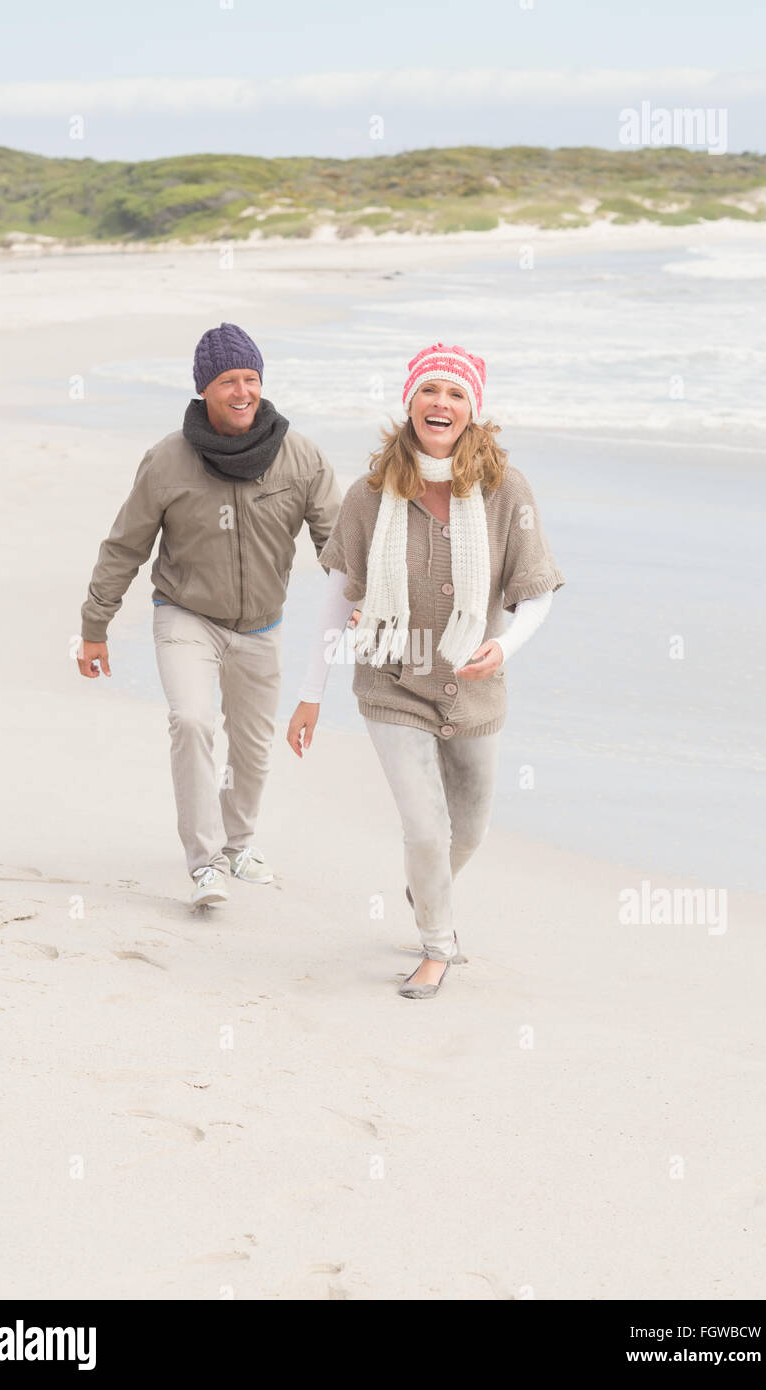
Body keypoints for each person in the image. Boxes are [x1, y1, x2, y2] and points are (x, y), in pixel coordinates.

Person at [286, 342, 565, 998]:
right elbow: (337, 599)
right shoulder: (370, 494)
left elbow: (538, 589)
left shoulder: (505, 490)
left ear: (474, 410)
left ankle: (425, 886)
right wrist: (310, 694)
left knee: (466, 828)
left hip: (475, 686)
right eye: (430, 391)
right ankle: (437, 945)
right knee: (425, 827)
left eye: (456, 393)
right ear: (409, 402)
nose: (441, 403)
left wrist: (506, 646)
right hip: (393, 677)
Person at [77, 323, 342, 907]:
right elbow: (126, 545)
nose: (242, 391)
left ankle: (239, 844)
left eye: (251, 378)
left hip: (263, 625)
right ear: (204, 390)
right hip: (186, 616)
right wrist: (94, 626)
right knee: (193, 721)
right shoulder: (168, 460)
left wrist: (374, 610)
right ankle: (203, 862)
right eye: (227, 381)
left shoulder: (300, 456)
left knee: (252, 745)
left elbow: (338, 548)